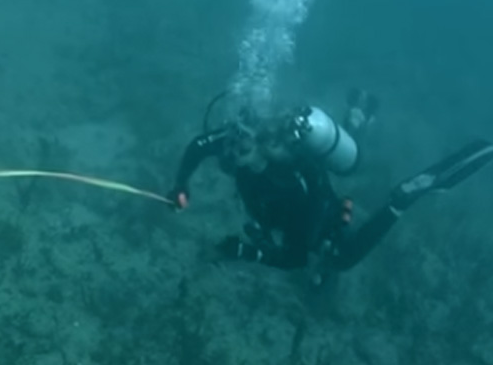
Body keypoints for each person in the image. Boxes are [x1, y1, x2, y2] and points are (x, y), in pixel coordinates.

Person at [169, 96, 491, 276]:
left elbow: (295, 259)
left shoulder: (290, 186)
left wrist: (240, 252)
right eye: (231, 143)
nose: (231, 154)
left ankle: (402, 198)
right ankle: (355, 121)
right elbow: (199, 146)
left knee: (339, 260)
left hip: (318, 216)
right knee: (331, 168)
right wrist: (180, 186)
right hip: (304, 190)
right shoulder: (242, 138)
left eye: (240, 151)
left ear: (260, 150)